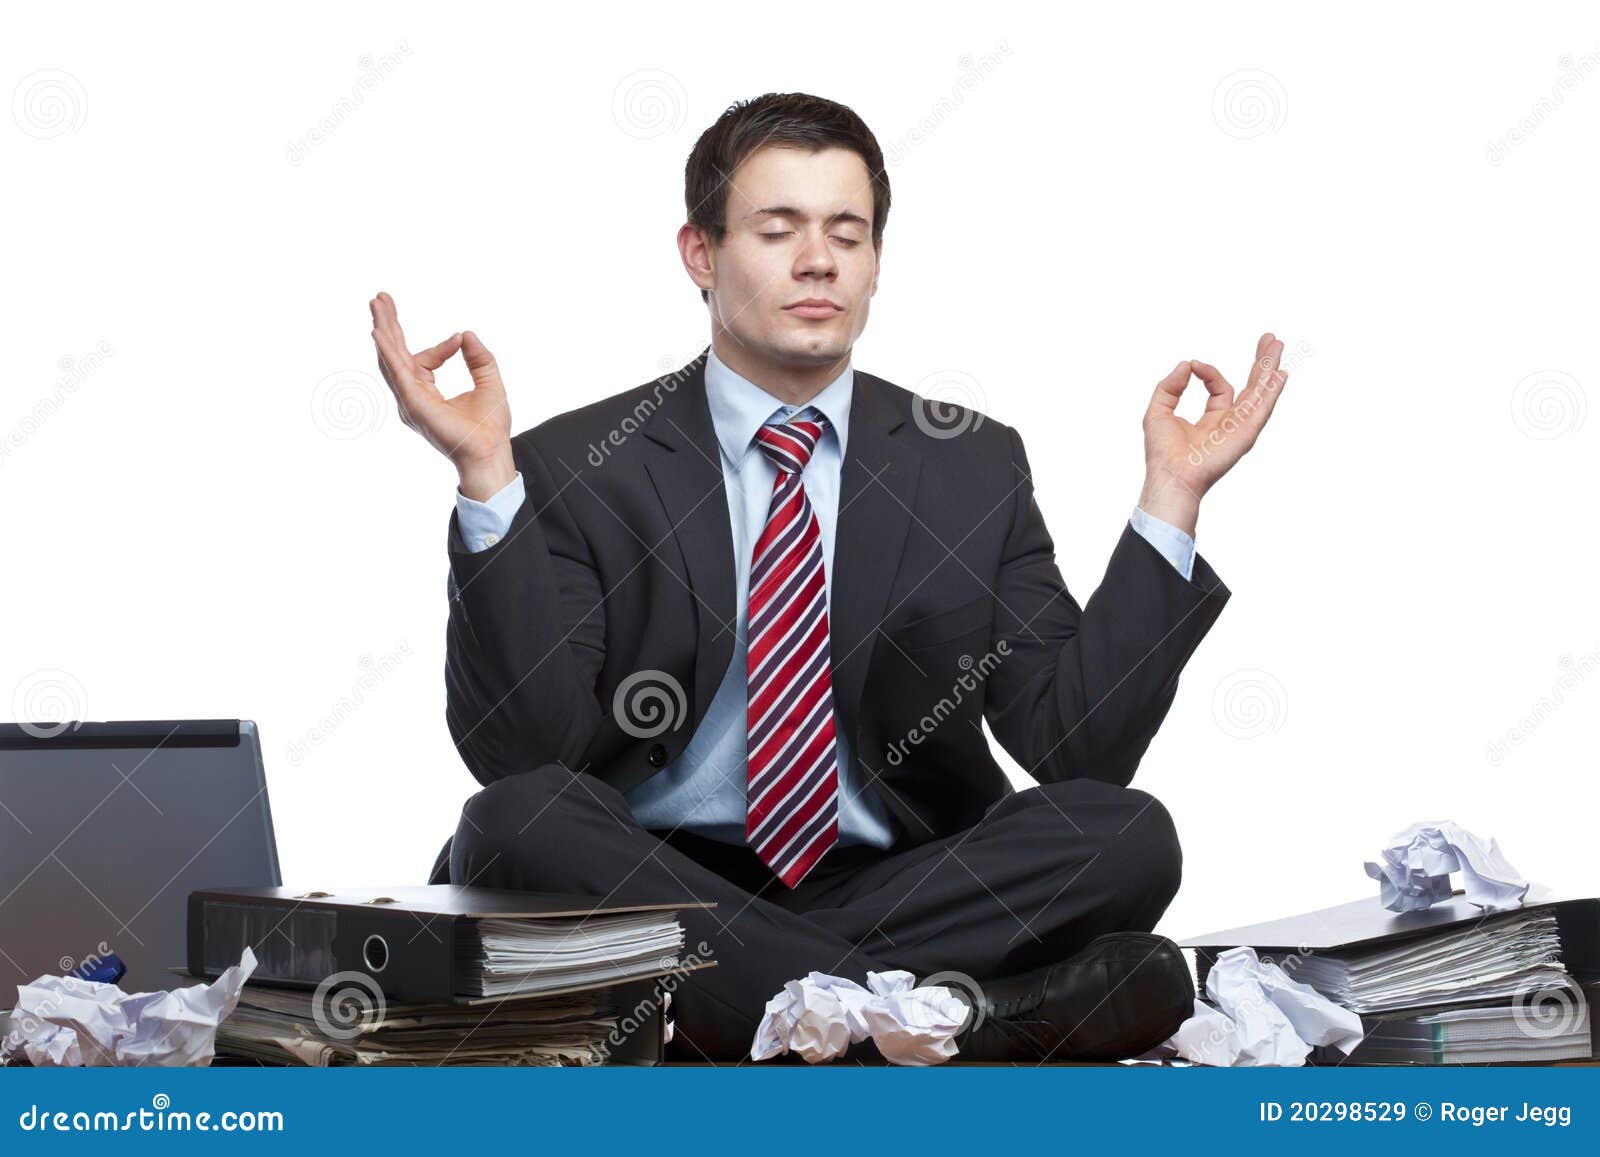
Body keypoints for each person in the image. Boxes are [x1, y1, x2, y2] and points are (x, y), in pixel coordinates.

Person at [368, 92, 1290, 1062]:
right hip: (645, 877)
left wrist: (1171, 496)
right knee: (517, 822)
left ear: (877, 261)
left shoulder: (967, 463)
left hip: (884, 882)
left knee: (1125, 834)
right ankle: (964, 1015)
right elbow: (526, 747)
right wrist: (486, 481)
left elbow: (1077, 745)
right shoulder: (579, 461)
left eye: (847, 233)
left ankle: (768, 1007)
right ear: (700, 253)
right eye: (778, 229)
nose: (819, 260)